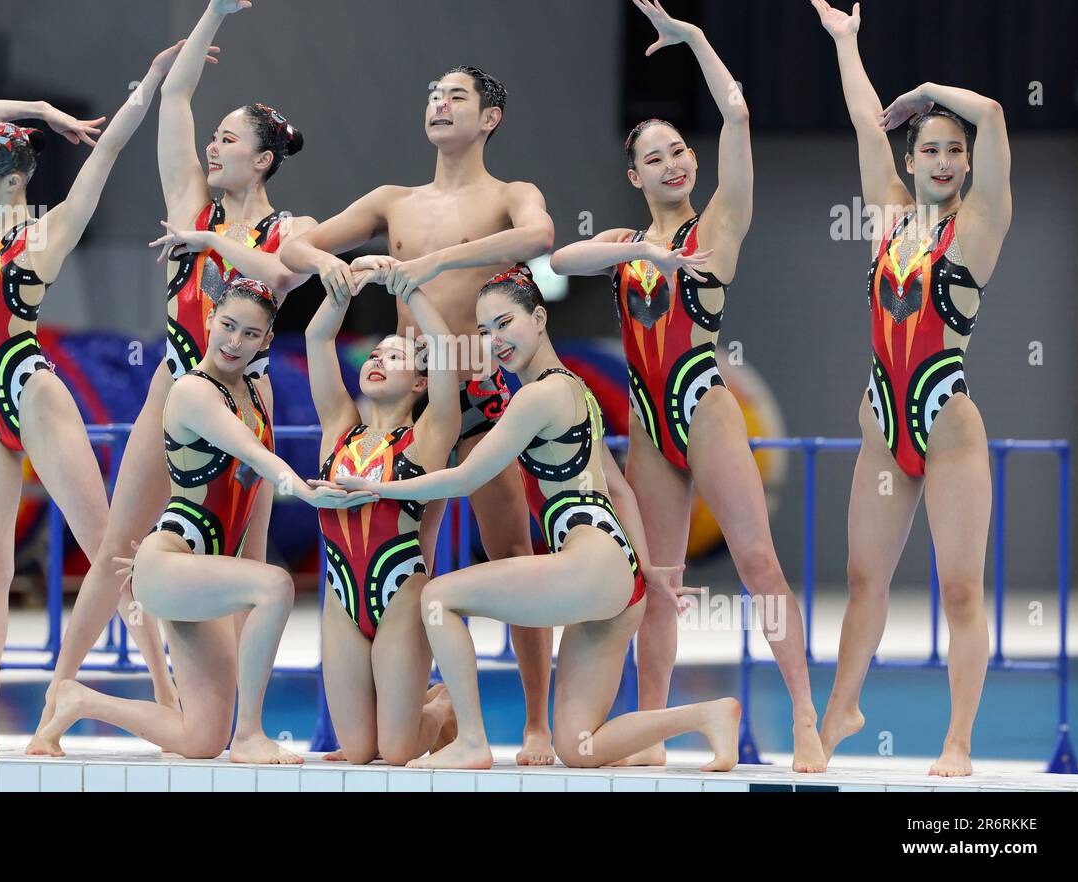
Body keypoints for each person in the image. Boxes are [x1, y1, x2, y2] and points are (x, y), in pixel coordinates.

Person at [27, 0, 315, 754]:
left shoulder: (288, 226)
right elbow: (177, 99)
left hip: (252, 401)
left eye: (230, 137)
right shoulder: (188, 196)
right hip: (177, 389)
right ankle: (60, 693)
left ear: (261, 161)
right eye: (215, 136)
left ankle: (228, 717)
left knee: (243, 558)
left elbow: (285, 276)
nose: (213, 143)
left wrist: (213, 244)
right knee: (120, 552)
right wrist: (212, 17)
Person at [551, 0, 824, 771]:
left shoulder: (718, 230)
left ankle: (804, 714)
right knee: (658, 585)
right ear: (632, 173)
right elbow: (558, 266)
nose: (674, 163)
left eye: (680, 152)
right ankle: (652, 731)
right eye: (656, 156)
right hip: (645, 423)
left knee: (758, 564)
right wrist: (630, 255)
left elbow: (736, 114)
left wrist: (696, 38)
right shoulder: (625, 242)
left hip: (703, 406)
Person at [335, 267, 742, 770]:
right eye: (484, 332)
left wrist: (377, 489)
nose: (495, 340)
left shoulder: (537, 396)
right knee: (578, 746)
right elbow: (619, 490)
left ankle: (472, 742)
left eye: (505, 323)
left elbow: (463, 479)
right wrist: (647, 570)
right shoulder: (578, 390)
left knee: (438, 599)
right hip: (616, 578)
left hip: (591, 563)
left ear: (540, 316)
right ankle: (708, 715)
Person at [280, 64, 561, 764]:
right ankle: (410, 707)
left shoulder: (509, 193)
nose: (438, 103)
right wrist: (330, 268)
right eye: (432, 95)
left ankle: (535, 724)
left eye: (455, 96)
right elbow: (293, 245)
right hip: (411, 398)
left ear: (489, 117)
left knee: (513, 551)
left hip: (480, 393)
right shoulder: (392, 200)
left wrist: (436, 265)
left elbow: (540, 238)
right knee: (403, 556)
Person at [0, 41, 184, 752]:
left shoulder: (43, 237)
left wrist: (157, 78)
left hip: (35, 397)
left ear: (11, 183)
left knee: (111, 556)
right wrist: (39, 108)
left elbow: (104, 157)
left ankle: (168, 700)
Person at [34, 279, 375, 762]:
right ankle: (251, 734)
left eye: (251, 334)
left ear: (267, 341)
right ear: (210, 319)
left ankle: (80, 699)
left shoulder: (258, 393)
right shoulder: (191, 390)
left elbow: (251, 513)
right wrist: (301, 487)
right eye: (228, 326)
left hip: (207, 579)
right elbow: (251, 453)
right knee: (277, 586)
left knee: (200, 738)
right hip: (169, 563)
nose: (235, 342)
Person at [810, 0, 1010, 776]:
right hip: (881, 430)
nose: (941, 161)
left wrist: (930, 92)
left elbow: (992, 113)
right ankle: (837, 717)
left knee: (960, 589)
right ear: (913, 159)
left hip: (949, 427)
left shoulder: (980, 224)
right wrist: (847, 42)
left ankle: (957, 741)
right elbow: (868, 123)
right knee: (865, 579)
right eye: (928, 150)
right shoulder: (887, 217)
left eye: (952, 151)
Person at [305, 272, 462, 764]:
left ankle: (439, 711)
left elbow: (444, 345)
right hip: (340, 596)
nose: (377, 360)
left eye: (394, 357)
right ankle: (418, 706)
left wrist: (405, 286)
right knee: (356, 754)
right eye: (374, 354)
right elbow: (317, 336)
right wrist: (346, 284)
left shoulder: (431, 433)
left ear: (420, 382)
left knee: (395, 755)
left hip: (400, 598)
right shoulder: (337, 426)